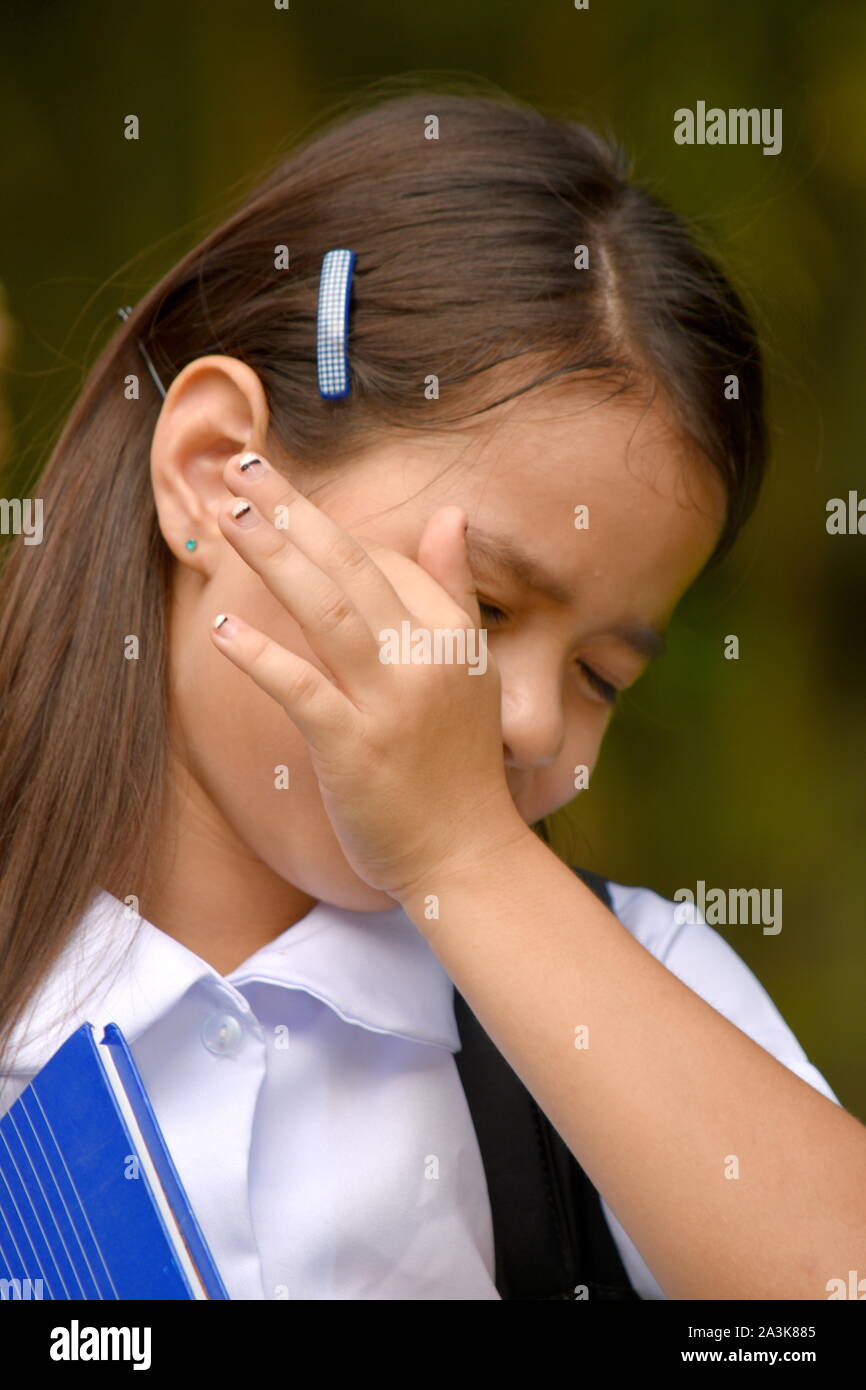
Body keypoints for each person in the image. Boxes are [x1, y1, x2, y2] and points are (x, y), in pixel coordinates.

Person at [0, 84, 863, 1301]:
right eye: (492, 607)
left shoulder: (640, 976)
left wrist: (463, 857)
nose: (524, 721)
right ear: (214, 478)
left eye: (598, 677)